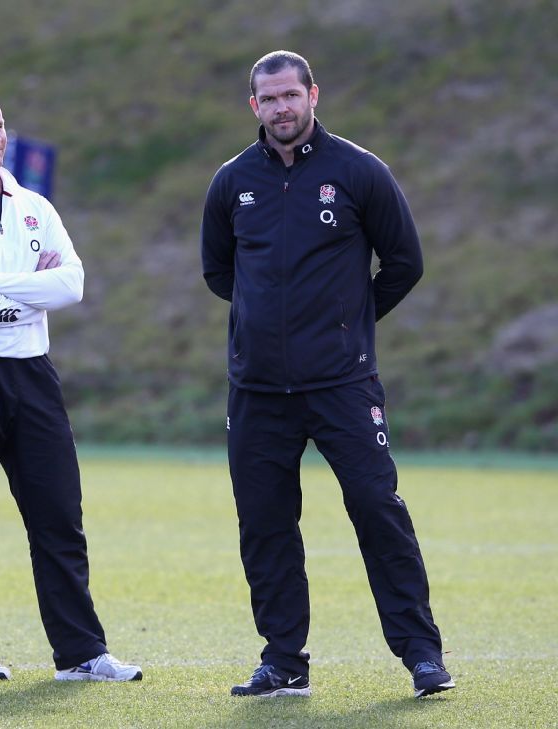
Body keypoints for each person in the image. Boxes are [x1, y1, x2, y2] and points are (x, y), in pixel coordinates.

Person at [201, 50, 453, 699]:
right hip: (258, 389)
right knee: (265, 524)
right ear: (254, 106)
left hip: (342, 383)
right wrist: (266, 324)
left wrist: (348, 322)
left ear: (313, 95)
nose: (281, 107)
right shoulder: (232, 181)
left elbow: (404, 262)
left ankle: (422, 654)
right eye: (269, 98)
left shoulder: (359, 171)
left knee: (377, 508)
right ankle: (284, 660)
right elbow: (219, 273)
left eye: (291, 94)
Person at [0, 89, 144, 683]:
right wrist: (29, 299)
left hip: (33, 372)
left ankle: (81, 653)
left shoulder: (34, 205)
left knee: (58, 514)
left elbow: (72, 284)